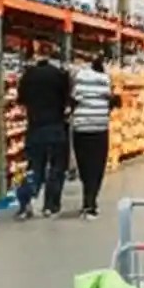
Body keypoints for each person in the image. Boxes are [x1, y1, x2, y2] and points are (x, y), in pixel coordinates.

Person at [15, 57, 71, 219]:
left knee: (34, 168)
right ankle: (51, 205)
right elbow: (67, 101)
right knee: (56, 168)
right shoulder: (59, 75)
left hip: (35, 128)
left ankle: (27, 200)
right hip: (56, 127)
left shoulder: (28, 76)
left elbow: (21, 100)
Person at [69, 57, 120, 220]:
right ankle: (91, 203)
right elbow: (110, 101)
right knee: (97, 166)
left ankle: (87, 199)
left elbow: (73, 100)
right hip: (99, 128)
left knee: (84, 165)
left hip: (81, 128)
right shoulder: (105, 80)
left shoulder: (78, 79)